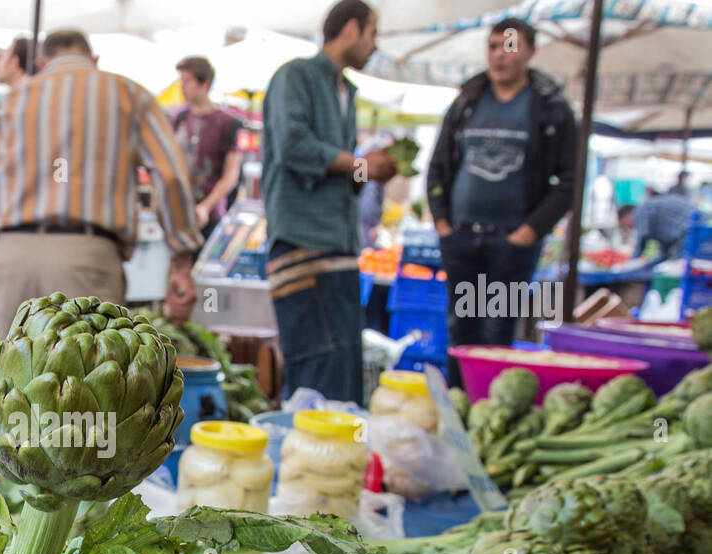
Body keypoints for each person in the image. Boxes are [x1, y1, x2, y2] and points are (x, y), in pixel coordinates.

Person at [0, 28, 202, 487]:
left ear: (42, 62)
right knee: (91, 412)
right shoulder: (126, 94)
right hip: (86, 256)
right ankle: (80, 524)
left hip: (5, 254)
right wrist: (181, 256)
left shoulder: (10, 101)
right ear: (92, 57)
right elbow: (171, 175)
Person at [427, 17, 577, 384]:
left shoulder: (549, 107)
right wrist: (443, 225)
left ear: (530, 52)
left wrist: (529, 231)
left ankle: (487, 410)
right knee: (462, 331)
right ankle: (458, 408)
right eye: (493, 46)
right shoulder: (468, 102)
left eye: (509, 46)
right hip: (463, 239)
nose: (499, 55)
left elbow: (570, 180)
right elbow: (438, 169)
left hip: (511, 244)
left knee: (496, 334)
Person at [261, 0, 394, 402]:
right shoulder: (295, 76)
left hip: (340, 247)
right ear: (350, 29)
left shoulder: (346, 91)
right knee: (316, 366)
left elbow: (346, 175)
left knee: (343, 365)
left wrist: (369, 169)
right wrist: (361, 164)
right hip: (303, 244)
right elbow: (293, 146)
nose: (374, 45)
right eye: (372, 33)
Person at [174, 56, 243, 239]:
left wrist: (205, 207)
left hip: (211, 217)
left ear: (205, 83)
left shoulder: (228, 123)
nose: (182, 87)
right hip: (179, 213)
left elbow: (231, 175)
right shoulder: (180, 118)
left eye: (187, 81)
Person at [621, 188, 697, 262]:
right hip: (693, 229)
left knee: (680, 264)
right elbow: (664, 254)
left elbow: (642, 240)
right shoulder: (657, 217)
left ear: (628, 215)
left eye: (625, 224)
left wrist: (628, 265)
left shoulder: (640, 211)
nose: (629, 228)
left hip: (690, 230)